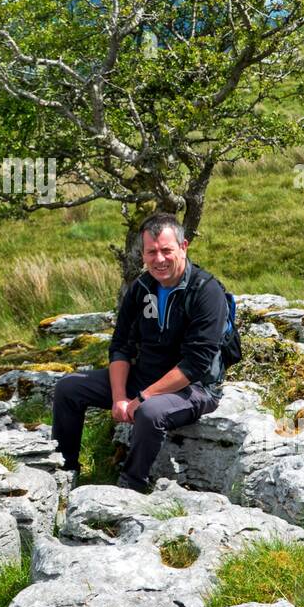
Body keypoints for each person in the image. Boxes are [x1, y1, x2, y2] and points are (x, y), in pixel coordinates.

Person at [51, 211, 230, 493]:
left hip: (195, 388)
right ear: (143, 254)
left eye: (166, 250)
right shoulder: (141, 288)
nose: (159, 259)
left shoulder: (206, 292)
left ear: (183, 247)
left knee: (149, 412)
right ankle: (64, 472)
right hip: (144, 377)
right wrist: (120, 398)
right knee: (69, 388)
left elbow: (195, 364)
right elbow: (121, 346)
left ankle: (130, 486)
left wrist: (143, 398)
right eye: (151, 252)